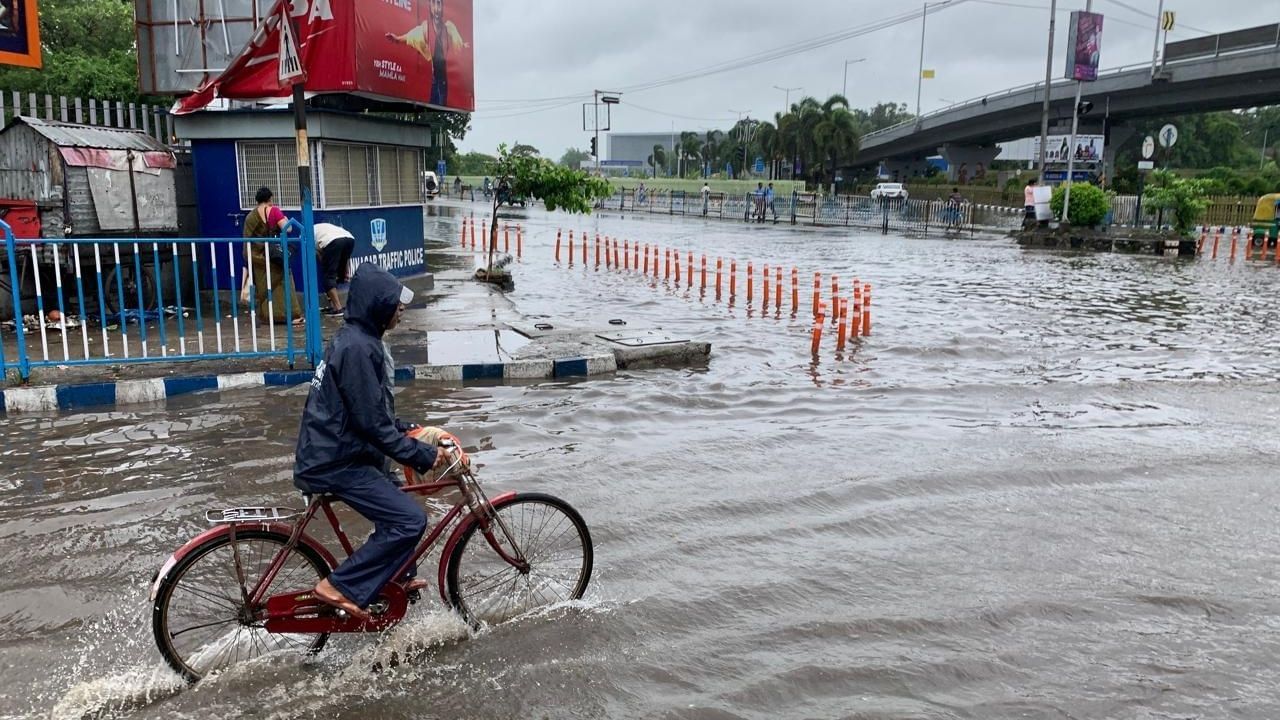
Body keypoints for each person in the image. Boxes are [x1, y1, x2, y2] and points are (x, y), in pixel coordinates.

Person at [294, 262, 448, 619]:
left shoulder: (356, 340)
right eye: (395, 303)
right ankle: (338, 585)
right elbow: (371, 425)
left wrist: (406, 428)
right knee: (409, 520)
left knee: (395, 496)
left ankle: (396, 577)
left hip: (337, 450)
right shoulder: (361, 349)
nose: (401, 308)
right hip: (336, 462)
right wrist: (421, 455)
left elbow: (369, 413)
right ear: (378, 305)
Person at [384, 0, 468, 107]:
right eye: (433, 3)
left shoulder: (448, 28)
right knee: (432, 104)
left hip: (443, 81)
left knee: (440, 105)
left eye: (438, 4)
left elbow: (458, 42)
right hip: (431, 81)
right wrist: (397, 39)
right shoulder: (425, 29)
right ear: (430, 6)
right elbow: (411, 36)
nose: (436, 8)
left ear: (442, 7)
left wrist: (464, 46)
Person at [242, 187, 303, 325]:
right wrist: (286, 219)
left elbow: (248, 240)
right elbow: (288, 228)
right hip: (274, 255)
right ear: (270, 198)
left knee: (265, 284)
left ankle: (269, 316)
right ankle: (292, 315)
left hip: (257, 256)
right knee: (283, 283)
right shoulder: (274, 210)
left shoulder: (250, 217)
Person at [313, 223, 356, 316]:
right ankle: (337, 304)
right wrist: (346, 271)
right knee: (341, 276)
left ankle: (337, 308)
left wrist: (326, 266)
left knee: (328, 277)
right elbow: (346, 258)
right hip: (349, 239)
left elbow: (318, 254)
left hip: (332, 241)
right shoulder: (320, 227)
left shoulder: (305, 234)